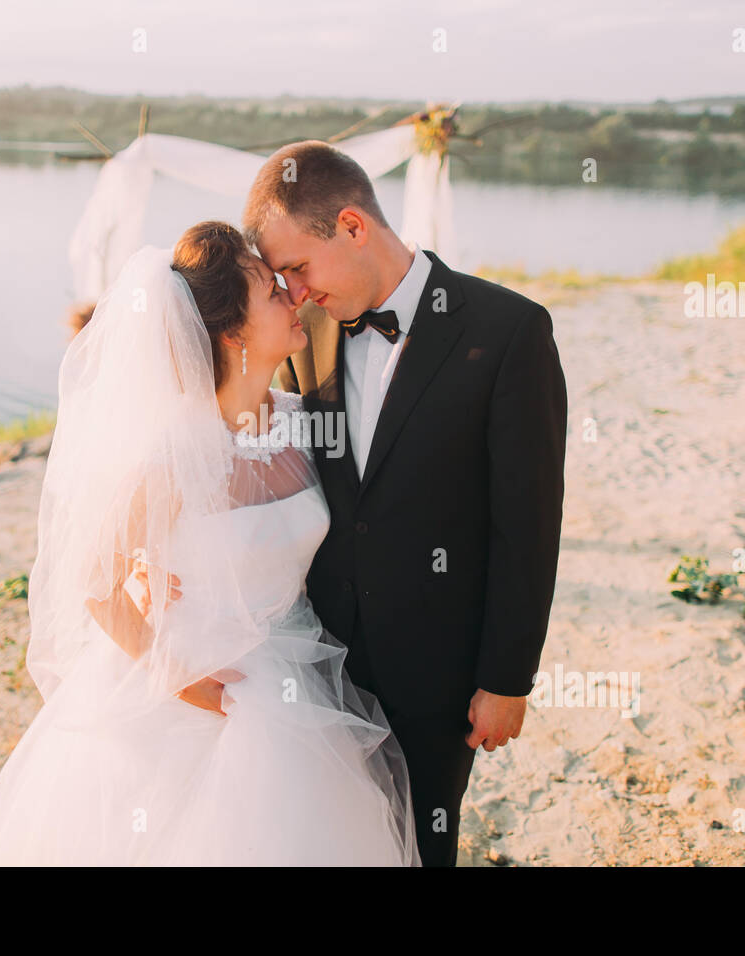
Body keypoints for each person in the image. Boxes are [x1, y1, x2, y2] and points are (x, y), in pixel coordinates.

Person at [0, 221, 418, 866]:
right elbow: (98, 585)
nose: (292, 295)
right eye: (270, 290)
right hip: (199, 677)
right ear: (231, 333)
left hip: (300, 670)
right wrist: (186, 681)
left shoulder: (307, 422)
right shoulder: (170, 454)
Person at [243, 140, 568, 866]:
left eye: (297, 268)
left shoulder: (510, 331)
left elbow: (529, 525)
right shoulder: (306, 332)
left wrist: (506, 678)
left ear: (354, 227)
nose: (293, 290)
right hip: (319, 661)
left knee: (424, 845)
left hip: (438, 672)